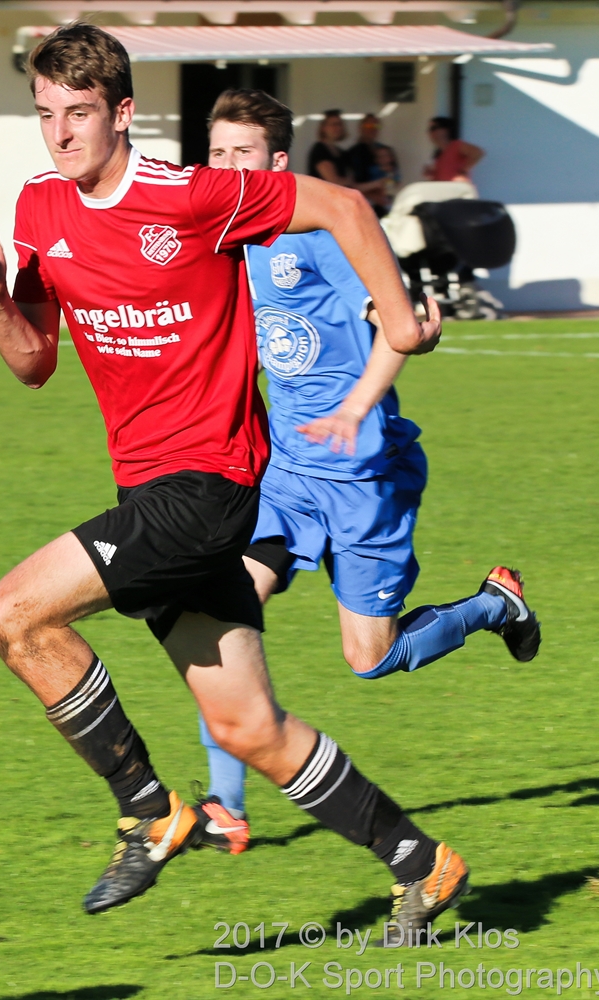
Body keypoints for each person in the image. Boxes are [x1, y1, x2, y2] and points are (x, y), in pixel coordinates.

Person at [0, 23, 467, 936]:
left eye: (79, 114)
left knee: (14, 615)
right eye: (45, 115)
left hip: (210, 487)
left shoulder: (196, 195)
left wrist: (399, 322)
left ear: (123, 114)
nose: (60, 134)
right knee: (248, 731)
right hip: (148, 493)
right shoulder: (40, 209)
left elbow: (345, 208)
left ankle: (149, 809)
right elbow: (34, 364)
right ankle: (421, 863)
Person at [195, 88, 541, 856]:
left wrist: (354, 408)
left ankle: (493, 606)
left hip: (363, 473)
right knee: (221, 613)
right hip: (286, 471)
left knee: (371, 657)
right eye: (215, 152)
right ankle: (225, 805)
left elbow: (401, 326)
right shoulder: (226, 234)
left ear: (277, 164)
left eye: (240, 154)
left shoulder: (319, 231)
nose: (224, 167)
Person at [344, 113, 399, 216]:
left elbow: (395, 178)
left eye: (377, 126)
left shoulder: (386, 150)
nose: (373, 129)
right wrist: (373, 195)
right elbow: (350, 184)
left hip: (386, 203)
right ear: (361, 127)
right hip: (362, 205)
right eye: (369, 126)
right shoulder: (352, 154)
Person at [423, 117, 485, 182]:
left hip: (457, 189)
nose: (430, 132)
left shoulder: (456, 145)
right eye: (429, 129)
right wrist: (430, 173)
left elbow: (478, 153)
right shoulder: (438, 153)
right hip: (444, 189)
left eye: (434, 128)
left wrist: (462, 172)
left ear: (446, 130)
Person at [306, 110, 350, 186]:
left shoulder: (341, 152)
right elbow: (334, 182)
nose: (337, 128)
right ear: (324, 128)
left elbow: (351, 179)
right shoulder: (319, 150)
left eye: (339, 124)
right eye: (333, 124)